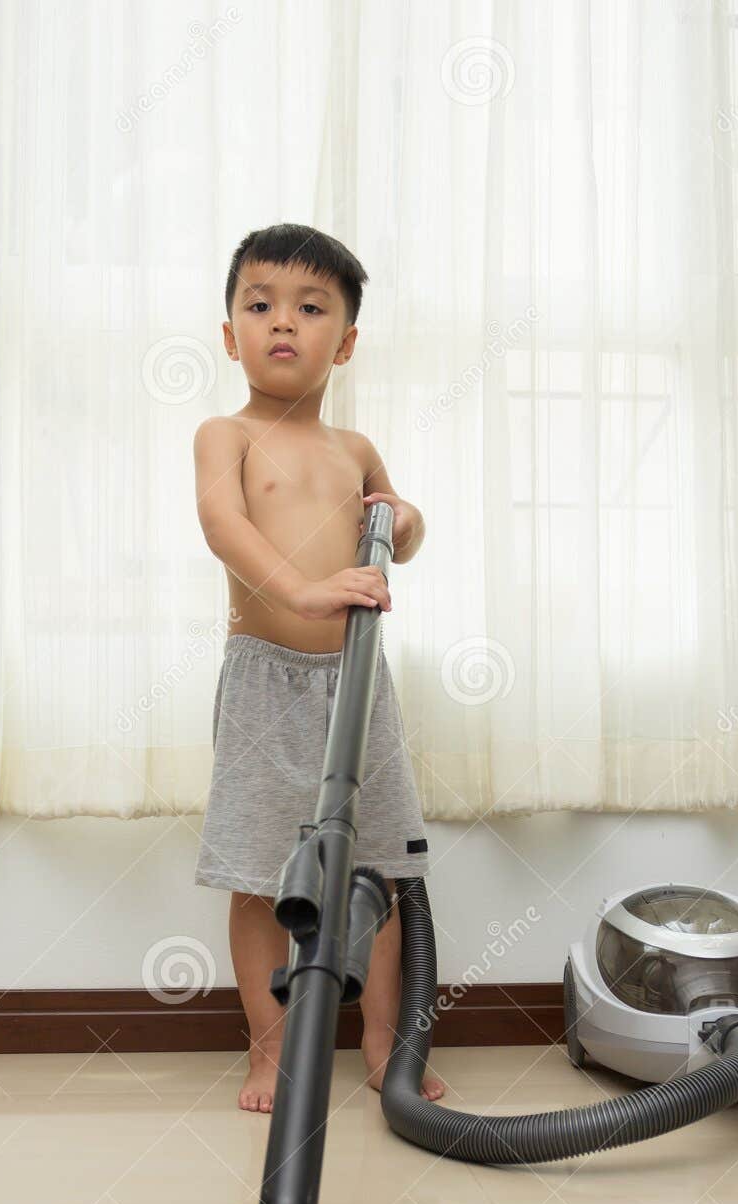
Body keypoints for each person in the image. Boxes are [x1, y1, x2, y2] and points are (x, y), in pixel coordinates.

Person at [193, 223, 445, 1114]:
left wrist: (404, 521)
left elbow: (401, 529)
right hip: (265, 681)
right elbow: (223, 524)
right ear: (231, 335)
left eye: (309, 308)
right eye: (259, 305)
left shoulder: (354, 448)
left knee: (373, 870)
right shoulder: (224, 434)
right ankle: (268, 1053)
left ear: (344, 342)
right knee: (261, 875)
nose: (281, 322)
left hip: (357, 684)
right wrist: (301, 591)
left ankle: (381, 1044)